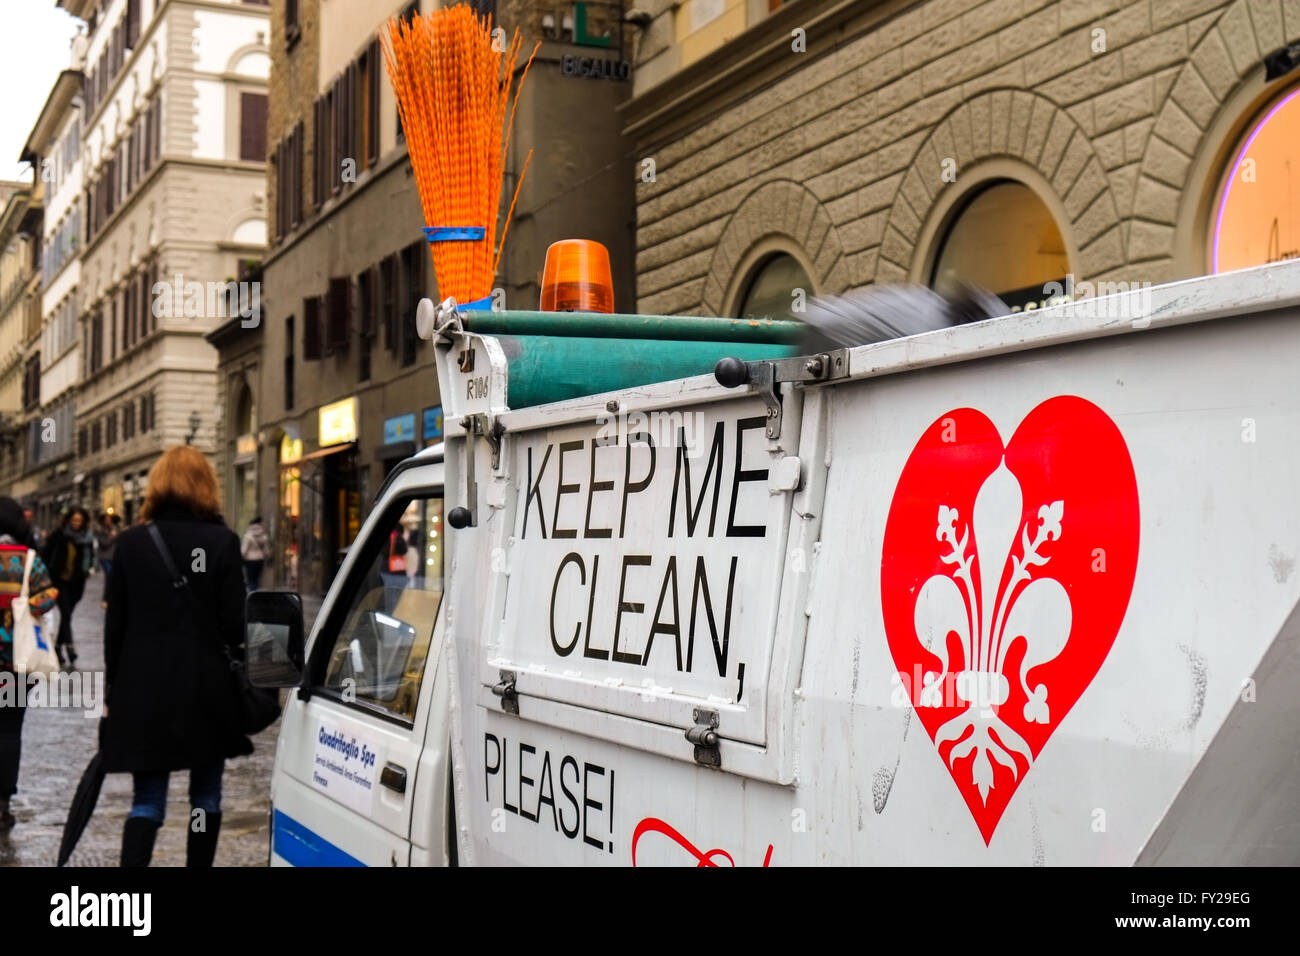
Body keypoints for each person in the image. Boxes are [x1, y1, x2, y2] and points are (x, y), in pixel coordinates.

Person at [102, 446, 252, 867]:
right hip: (207, 690)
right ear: (207, 485)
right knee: (205, 798)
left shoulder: (131, 544)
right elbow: (234, 623)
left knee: (147, 802)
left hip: (144, 690)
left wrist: (114, 691)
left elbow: (115, 630)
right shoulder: (222, 541)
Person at [0, 497, 58, 831]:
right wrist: (22, 606)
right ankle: (3, 803)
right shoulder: (28, 560)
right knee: (9, 731)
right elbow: (48, 597)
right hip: (16, 664)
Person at [40, 507, 92, 668]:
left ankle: (57, 647)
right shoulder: (58, 535)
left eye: (79, 521)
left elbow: (90, 558)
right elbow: (46, 555)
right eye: (74, 520)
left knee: (67, 616)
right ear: (69, 520)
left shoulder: (86, 539)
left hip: (77, 583)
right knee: (66, 612)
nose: (76, 524)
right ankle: (69, 647)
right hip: (59, 581)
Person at [240, 516, 270, 593]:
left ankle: (251, 595)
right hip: (260, 560)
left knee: (251, 579)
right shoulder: (264, 536)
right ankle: (255, 593)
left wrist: (240, 558)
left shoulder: (248, 536)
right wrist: (268, 556)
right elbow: (266, 551)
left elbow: (244, 550)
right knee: (256, 579)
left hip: (250, 561)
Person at [94, 513, 120, 578]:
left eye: (110, 519)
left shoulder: (114, 528)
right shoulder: (99, 530)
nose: (109, 521)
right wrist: (112, 536)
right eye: (107, 519)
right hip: (104, 557)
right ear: (103, 521)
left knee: (113, 576)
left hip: (113, 556)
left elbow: (119, 539)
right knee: (109, 575)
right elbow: (105, 543)